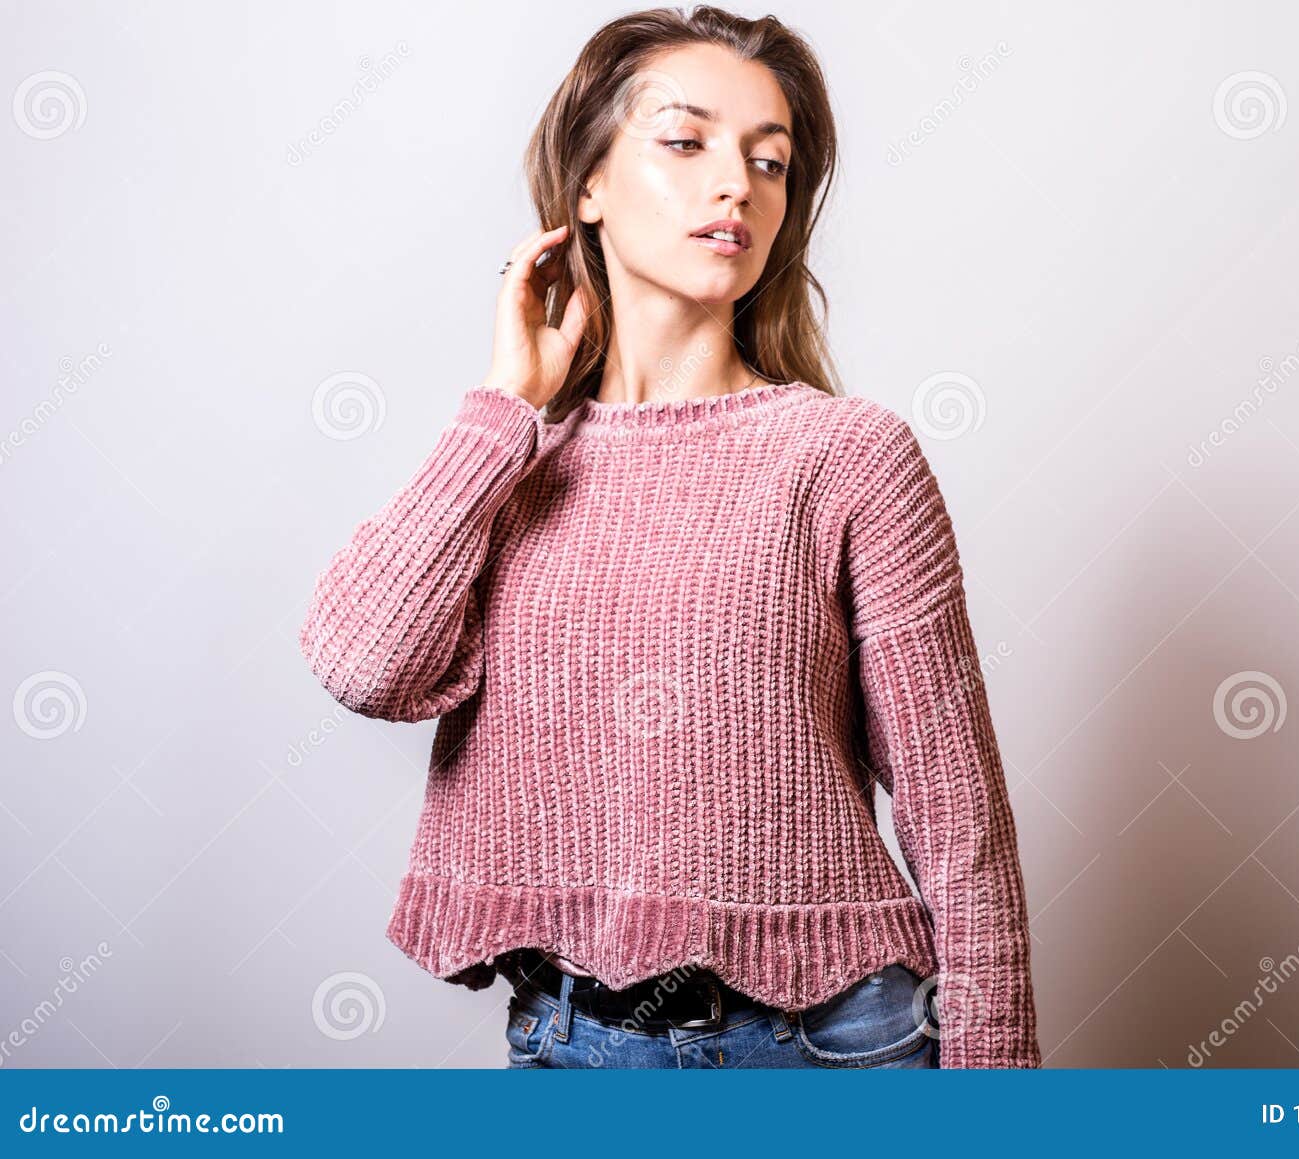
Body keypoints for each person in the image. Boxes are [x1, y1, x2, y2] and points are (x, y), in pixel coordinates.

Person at [298, 4, 1040, 1069]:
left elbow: (955, 811)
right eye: (686, 142)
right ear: (588, 186)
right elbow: (366, 665)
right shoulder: (510, 461)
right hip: (566, 1047)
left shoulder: (847, 455)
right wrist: (506, 410)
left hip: (822, 1051)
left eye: (769, 161)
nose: (736, 184)